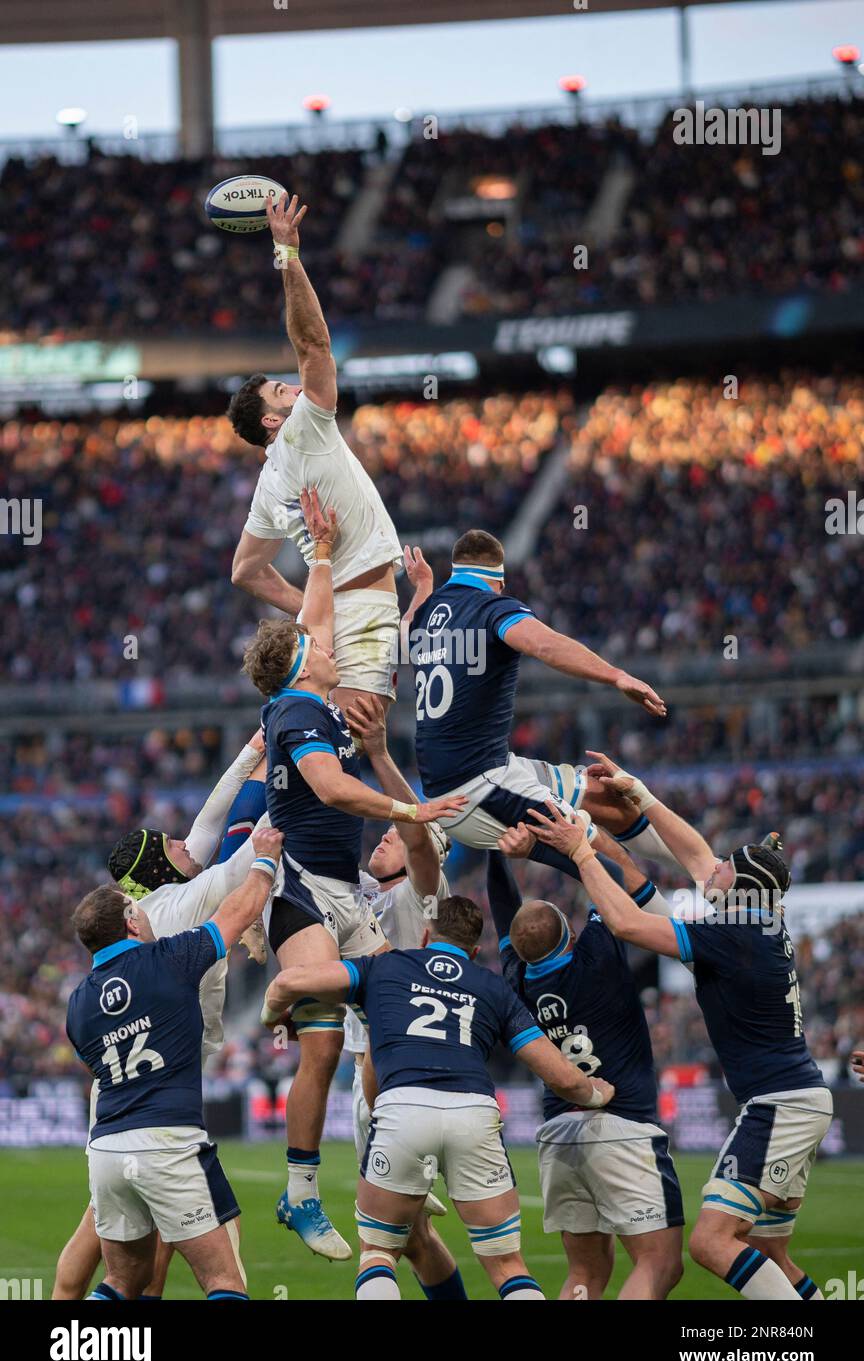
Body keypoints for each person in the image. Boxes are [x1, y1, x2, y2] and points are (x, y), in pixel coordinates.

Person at [242, 490, 465, 1260]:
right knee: (324, 1044)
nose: (329, 641)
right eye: (317, 645)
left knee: (397, 1013)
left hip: (342, 894)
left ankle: (388, 1157)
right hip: (302, 887)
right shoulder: (297, 715)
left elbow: (318, 617)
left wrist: (326, 550)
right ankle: (301, 1194)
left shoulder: (314, 690)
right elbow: (332, 789)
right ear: (302, 667)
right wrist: (411, 812)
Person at [527, 764, 833, 1304]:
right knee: (769, 1252)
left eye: (724, 869)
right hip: (796, 1098)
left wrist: (581, 853)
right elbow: (695, 857)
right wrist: (642, 795)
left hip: (779, 1105)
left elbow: (626, 924)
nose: (711, 869)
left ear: (740, 888)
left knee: (711, 1243)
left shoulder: (734, 935)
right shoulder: (756, 921)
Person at [260, 895, 616, 1301]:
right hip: (474, 1114)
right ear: (475, 952)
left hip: (403, 1111)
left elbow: (288, 982)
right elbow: (559, 1075)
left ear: (426, 936)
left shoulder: (384, 966)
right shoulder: (493, 987)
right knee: (507, 1265)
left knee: (378, 1254)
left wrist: (272, 1017)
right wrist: (594, 1093)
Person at [52, 730, 271, 1300]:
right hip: (158, 1095)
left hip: (120, 1093)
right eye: (171, 843)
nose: (185, 842)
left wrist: (256, 746)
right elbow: (244, 860)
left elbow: (208, 824)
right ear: (155, 867)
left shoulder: (143, 912)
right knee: (202, 1251)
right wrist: (302, 763)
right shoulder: (180, 907)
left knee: (126, 1252)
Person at [404, 530, 682, 888]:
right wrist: (617, 676)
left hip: (445, 784)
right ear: (499, 581)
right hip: (478, 784)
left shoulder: (426, 615)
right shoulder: (492, 607)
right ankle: (672, 921)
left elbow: (408, 628)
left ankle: (703, 869)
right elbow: (544, 645)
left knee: (601, 796)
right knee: (603, 858)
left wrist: (423, 586)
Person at [228, 192, 403, 713]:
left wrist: (305, 605)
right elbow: (313, 346)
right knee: (354, 735)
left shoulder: (268, 484)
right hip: (362, 607)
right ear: (271, 421)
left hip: (327, 614)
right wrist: (287, 253)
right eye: (281, 392)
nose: (295, 389)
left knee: (334, 735)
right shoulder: (302, 430)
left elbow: (245, 570)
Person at [486, 845, 683, 1300]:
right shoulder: (597, 956)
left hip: (559, 1135)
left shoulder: (517, 979)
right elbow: (608, 872)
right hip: (622, 1124)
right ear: (571, 934)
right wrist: (558, 845)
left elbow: (504, 911)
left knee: (585, 1273)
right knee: (661, 1263)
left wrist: (494, 847)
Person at [340, 694, 465, 1299]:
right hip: (371, 1062)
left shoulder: (424, 894)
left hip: (394, 1066)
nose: (385, 836)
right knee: (411, 1237)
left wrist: (379, 754)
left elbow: (417, 835)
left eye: (394, 833)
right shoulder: (368, 890)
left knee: (380, 1236)